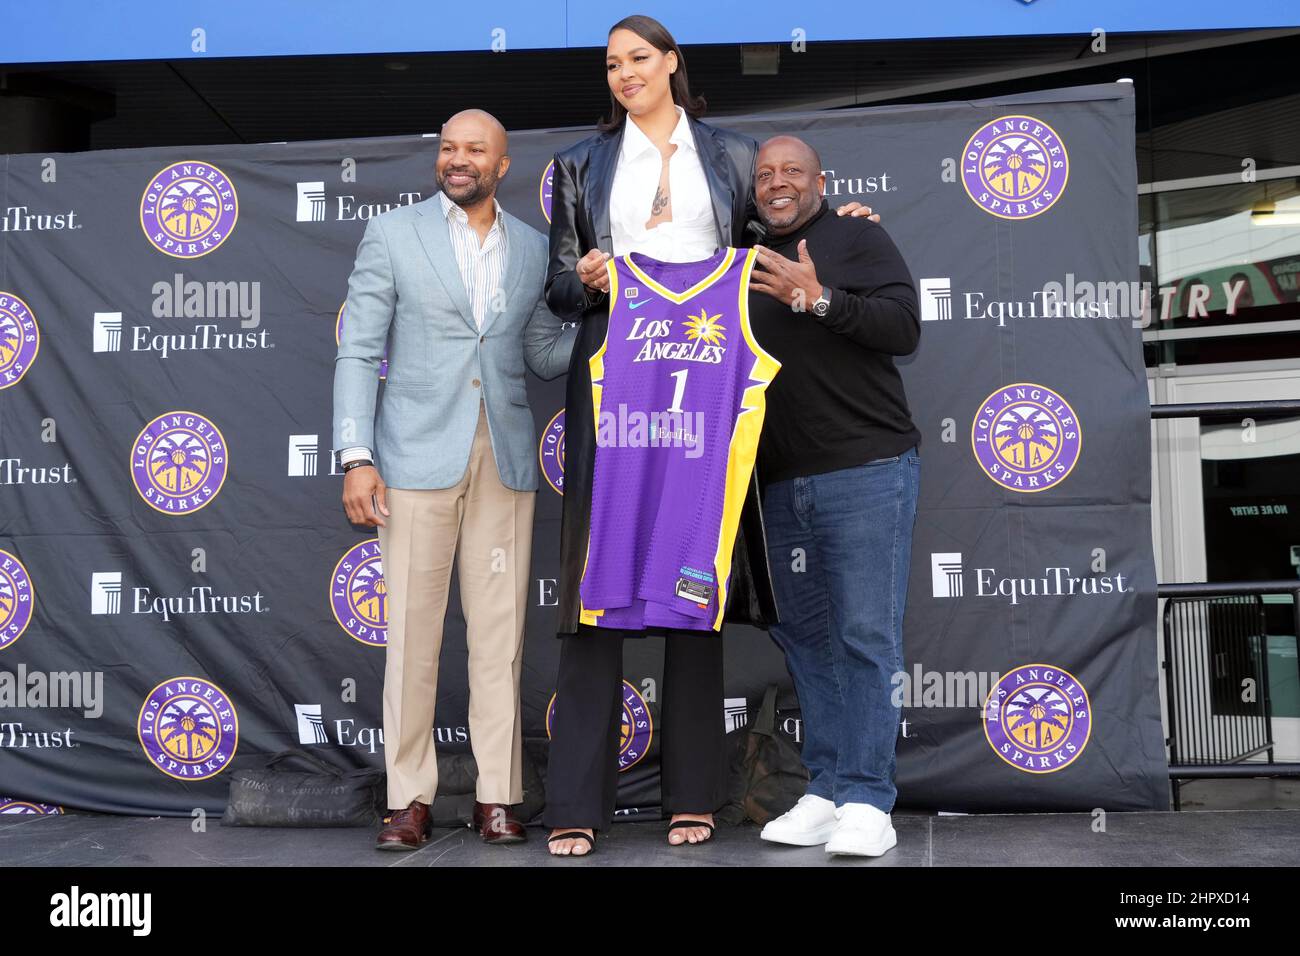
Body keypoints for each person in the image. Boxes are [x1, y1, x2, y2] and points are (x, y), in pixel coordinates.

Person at [541, 15, 877, 857]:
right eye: (612, 63)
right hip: (616, 374)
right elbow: (555, 288)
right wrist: (584, 280)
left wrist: (841, 224)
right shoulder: (578, 165)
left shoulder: (729, 152)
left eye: (640, 59)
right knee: (599, 571)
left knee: (697, 560)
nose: (625, 74)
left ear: (672, 64)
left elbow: (779, 232)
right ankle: (577, 801)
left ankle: (691, 794)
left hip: (705, 377)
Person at [332, 109, 575, 851]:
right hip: (410, 460)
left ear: (504, 166)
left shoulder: (535, 249)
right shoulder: (394, 234)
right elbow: (357, 350)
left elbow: (540, 355)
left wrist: (609, 317)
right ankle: (407, 799)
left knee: (499, 638)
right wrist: (355, 454)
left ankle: (498, 798)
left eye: (475, 150)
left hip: (502, 461)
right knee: (411, 636)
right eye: (448, 148)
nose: (458, 159)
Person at [746, 135, 921, 857]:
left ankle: (869, 799)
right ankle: (824, 788)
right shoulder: (740, 254)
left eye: (792, 171)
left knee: (865, 637)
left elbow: (903, 328)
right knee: (810, 644)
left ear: (821, 180)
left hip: (867, 467)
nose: (777, 183)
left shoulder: (854, 235)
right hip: (779, 482)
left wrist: (815, 299)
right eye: (764, 174)